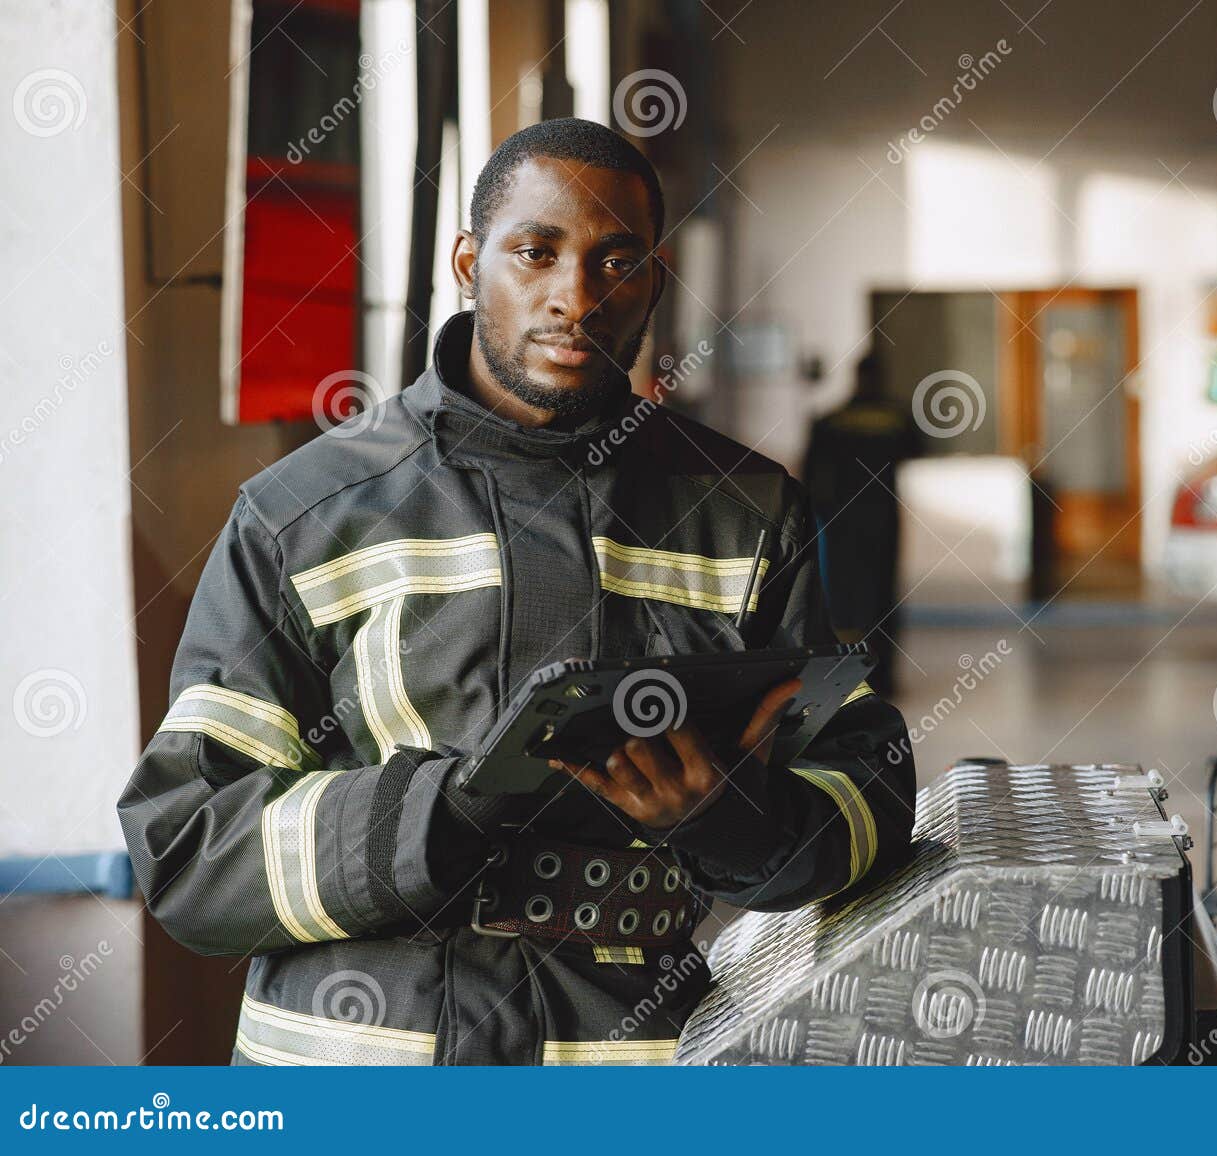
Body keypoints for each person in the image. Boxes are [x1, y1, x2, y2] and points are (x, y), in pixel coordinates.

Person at [118, 118, 915, 1066]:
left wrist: (732, 823)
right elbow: (188, 843)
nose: (576, 297)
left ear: (653, 284)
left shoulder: (745, 511)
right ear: (468, 261)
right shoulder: (303, 514)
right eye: (534, 253)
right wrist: (438, 815)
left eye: (617, 261)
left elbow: (872, 790)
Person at [802, 353, 920, 696]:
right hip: (883, 522)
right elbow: (917, 449)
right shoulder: (895, 419)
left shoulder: (832, 420)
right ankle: (884, 678)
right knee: (882, 599)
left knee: (844, 601)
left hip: (841, 525)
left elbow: (810, 475)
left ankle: (852, 679)